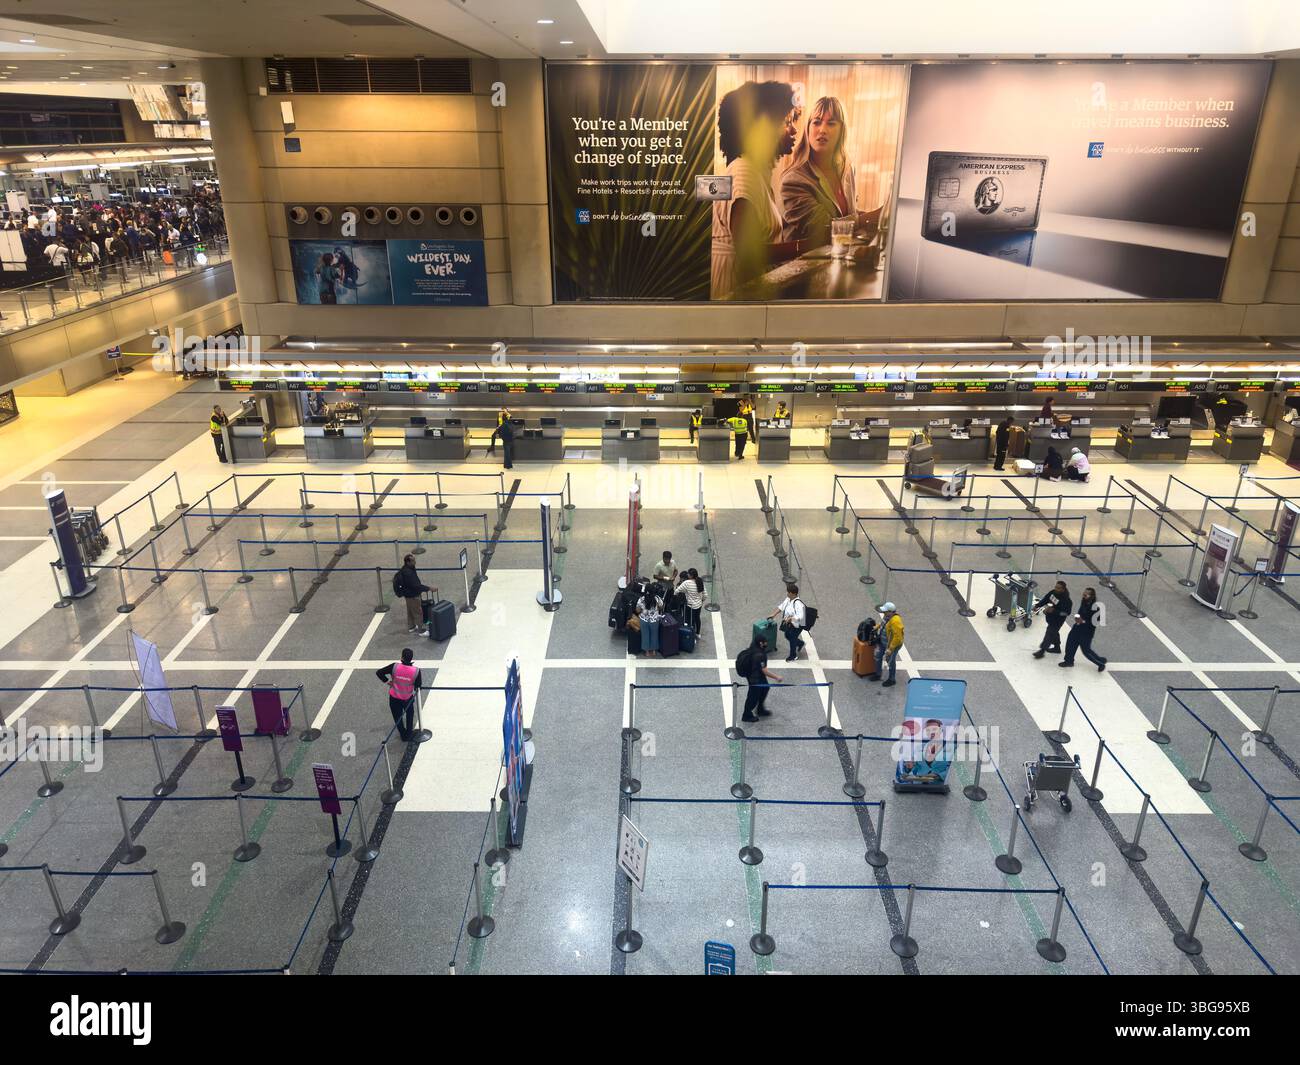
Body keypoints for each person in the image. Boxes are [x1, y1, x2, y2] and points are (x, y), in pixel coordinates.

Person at [710, 80, 803, 299]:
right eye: (786, 122)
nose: (794, 129)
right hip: (734, 296)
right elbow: (749, 254)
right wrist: (809, 245)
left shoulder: (752, 171)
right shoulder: (744, 173)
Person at [779, 95, 884, 247]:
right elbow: (823, 230)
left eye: (831, 123)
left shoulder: (847, 169)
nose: (822, 130)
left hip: (838, 257)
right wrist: (869, 218)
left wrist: (879, 216)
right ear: (808, 129)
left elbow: (846, 215)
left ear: (842, 130)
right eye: (816, 122)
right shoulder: (793, 180)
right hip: (804, 260)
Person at [375, 648, 422, 742]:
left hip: (394, 698)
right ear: (411, 658)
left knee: (397, 717)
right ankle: (409, 734)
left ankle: (403, 735)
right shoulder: (416, 671)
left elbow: (379, 672)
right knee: (409, 715)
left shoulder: (394, 667)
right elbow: (418, 685)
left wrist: (387, 681)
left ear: (402, 657)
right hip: (407, 698)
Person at [1060, 587, 1108, 671]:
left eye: (1086, 594)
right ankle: (1069, 661)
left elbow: (1095, 622)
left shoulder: (1096, 608)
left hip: (1086, 632)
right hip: (1077, 628)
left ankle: (1100, 663)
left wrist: (1083, 621)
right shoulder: (1084, 602)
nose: (1084, 595)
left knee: (1086, 651)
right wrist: (1078, 618)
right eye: (1084, 593)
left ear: (1092, 596)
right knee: (1070, 644)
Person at [739, 634, 783, 722]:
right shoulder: (760, 654)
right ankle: (746, 715)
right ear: (761, 643)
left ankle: (760, 709)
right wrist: (777, 677)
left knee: (765, 688)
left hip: (755, 674)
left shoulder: (753, 647)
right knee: (753, 697)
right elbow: (765, 671)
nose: (766, 644)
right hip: (755, 678)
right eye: (765, 642)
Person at [866, 601, 904, 687]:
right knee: (878, 656)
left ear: (890, 612)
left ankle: (892, 679)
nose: (883, 613)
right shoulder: (887, 616)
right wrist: (877, 627)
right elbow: (883, 623)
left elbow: (898, 638)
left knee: (890, 661)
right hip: (882, 641)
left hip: (891, 645)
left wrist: (890, 649)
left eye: (885, 611)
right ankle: (878, 674)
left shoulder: (896, 621)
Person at [393, 553, 433, 634]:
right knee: (418, 612)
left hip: (407, 595)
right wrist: (429, 588)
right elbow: (416, 586)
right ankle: (421, 630)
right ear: (408, 562)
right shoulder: (408, 573)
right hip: (413, 595)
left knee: (410, 611)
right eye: (413, 561)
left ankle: (411, 627)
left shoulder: (405, 569)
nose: (415, 562)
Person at [1032, 581, 1072, 659]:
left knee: (1049, 633)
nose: (1056, 589)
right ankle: (1057, 648)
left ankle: (1042, 651)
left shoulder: (1067, 601)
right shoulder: (1053, 592)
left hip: (1057, 621)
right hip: (1050, 618)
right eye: (1056, 587)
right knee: (1054, 633)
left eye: (1058, 588)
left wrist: (1054, 611)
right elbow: (1046, 599)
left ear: (1063, 589)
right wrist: (1037, 605)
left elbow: (1067, 613)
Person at [771, 582, 808, 662]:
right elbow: (782, 606)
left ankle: (793, 656)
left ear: (793, 594)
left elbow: (801, 616)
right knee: (787, 635)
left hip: (797, 625)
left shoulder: (798, 604)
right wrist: (774, 614)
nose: (787, 593)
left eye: (788, 592)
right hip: (790, 624)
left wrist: (791, 619)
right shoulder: (788, 599)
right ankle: (800, 643)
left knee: (792, 638)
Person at [675, 568, 707, 637]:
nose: (687, 575)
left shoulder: (687, 583)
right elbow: (705, 595)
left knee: (690, 620)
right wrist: (701, 601)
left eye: (688, 574)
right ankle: (698, 633)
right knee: (697, 618)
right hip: (698, 605)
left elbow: (677, 591)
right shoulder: (700, 581)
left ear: (691, 576)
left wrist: (684, 592)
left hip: (690, 606)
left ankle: (691, 635)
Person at [637, 583, 666, 657]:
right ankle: (653, 651)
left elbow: (638, 610)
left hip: (644, 620)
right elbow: (661, 607)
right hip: (654, 620)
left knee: (645, 635)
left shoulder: (642, 599)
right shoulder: (657, 598)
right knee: (654, 635)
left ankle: (647, 652)